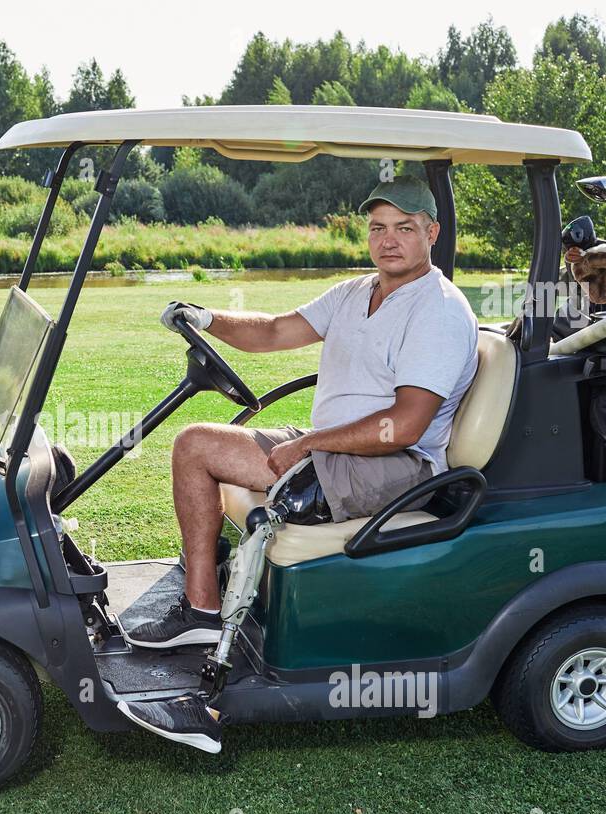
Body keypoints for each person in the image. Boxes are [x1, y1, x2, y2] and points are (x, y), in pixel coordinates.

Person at [126, 175, 480, 655]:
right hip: (336, 445)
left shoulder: (437, 311)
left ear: (431, 233)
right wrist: (207, 318)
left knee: (199, 449)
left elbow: (404, 426)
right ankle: (206, 594)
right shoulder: (357, 292)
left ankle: (202, 610)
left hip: (398, 463)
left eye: (405, 227)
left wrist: (311, 443)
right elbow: (273, 332)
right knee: (197, 443)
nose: (389, 240)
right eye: (378, 228)